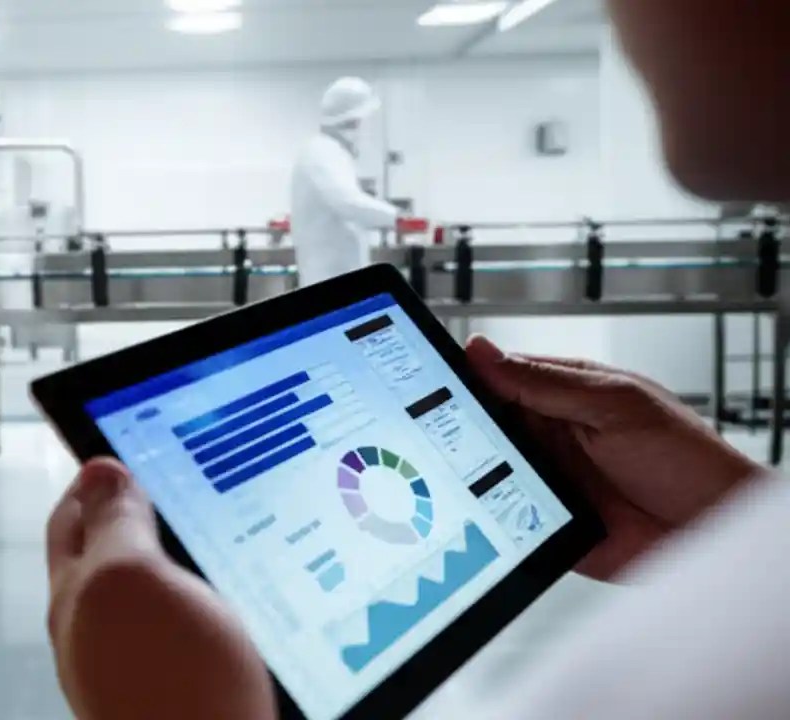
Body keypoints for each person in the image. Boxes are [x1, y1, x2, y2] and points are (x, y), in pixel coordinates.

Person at [46, 0, 790, 717]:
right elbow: (349, 201)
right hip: (329, 282)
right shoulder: (322, 153)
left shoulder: (720, 672)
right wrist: (736, 509)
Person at [290, 77, 398, 286]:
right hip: (330, 277)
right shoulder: (322, 151)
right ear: (354, 119)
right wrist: (398, 218)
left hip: (339, 274)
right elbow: (348, 201)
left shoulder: (333, 152)